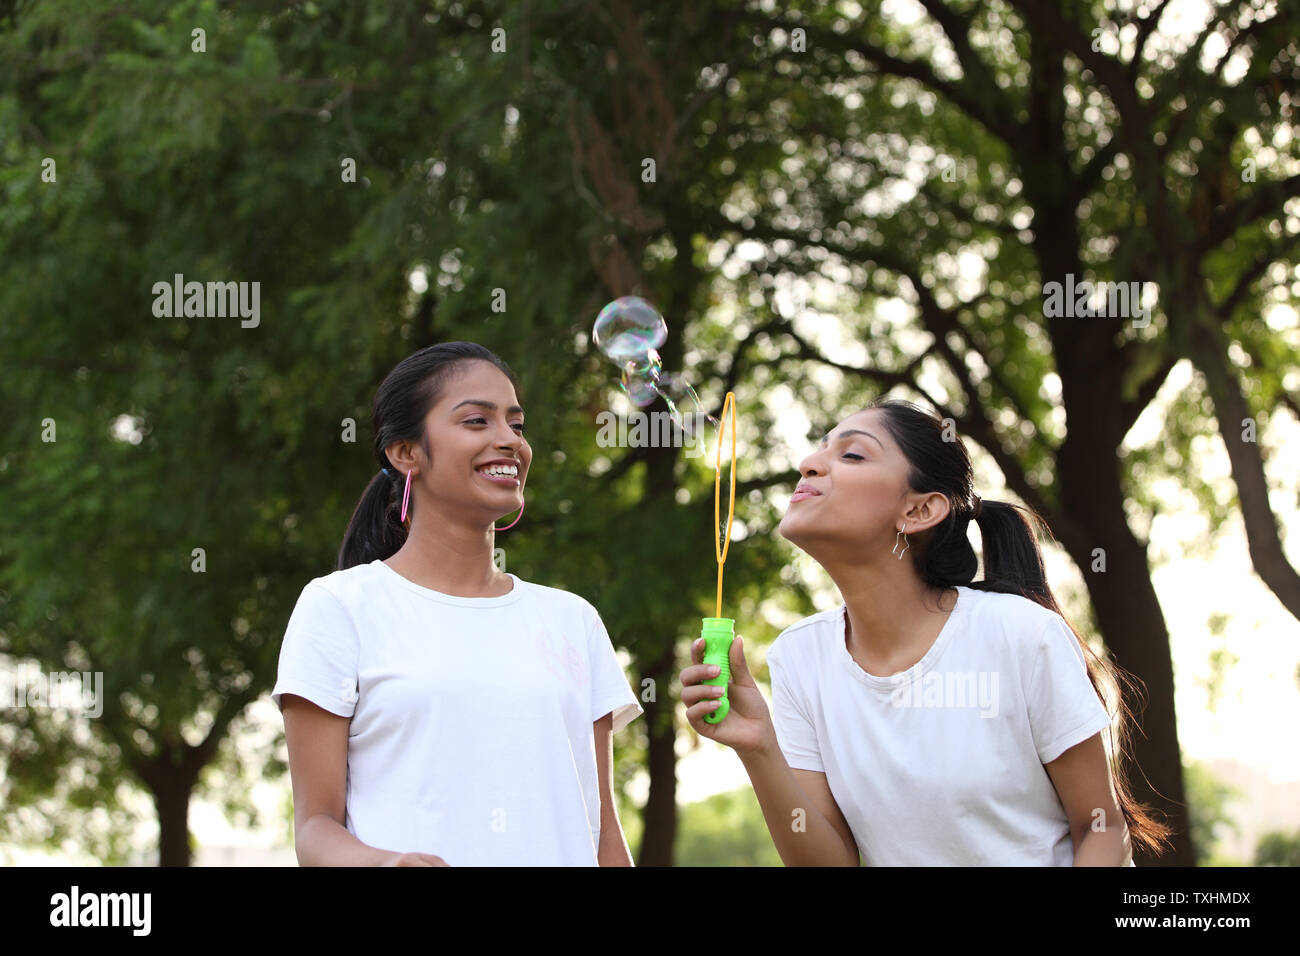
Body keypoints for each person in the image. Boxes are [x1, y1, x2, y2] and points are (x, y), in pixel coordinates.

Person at [680, 399, 1173, 865]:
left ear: (918, 511)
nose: (809, 462)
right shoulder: (800, 656)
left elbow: (1102, 827)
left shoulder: (1019, 633)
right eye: (819, 447)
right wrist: (759, 746)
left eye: (850, 453)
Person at [272, 342, 643, 866]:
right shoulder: (338, 607)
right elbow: (315, 828)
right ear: (406, 453)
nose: (508, 441)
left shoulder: (572, 619)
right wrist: (386, 864)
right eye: (476, 421)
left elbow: (603, 834)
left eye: (516, 425)